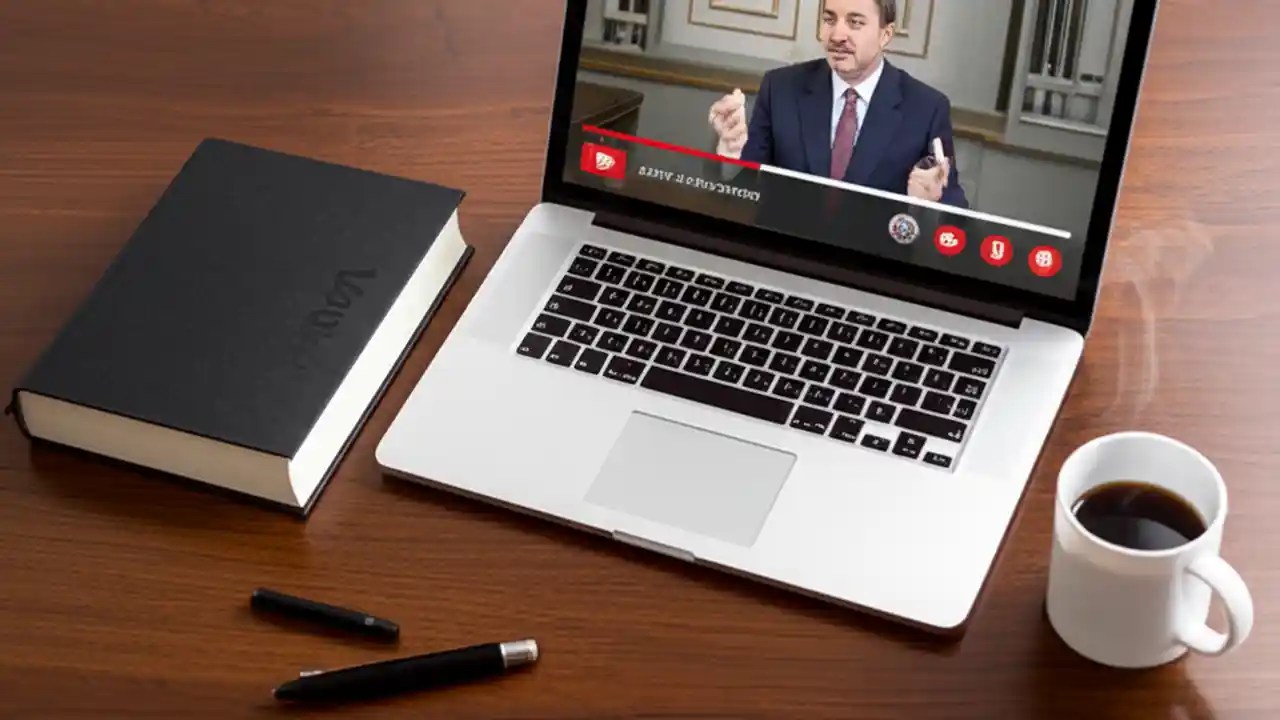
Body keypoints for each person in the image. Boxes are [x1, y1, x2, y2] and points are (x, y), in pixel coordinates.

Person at [708, 0, 968, 208]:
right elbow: (741, 193)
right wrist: (731, 157)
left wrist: (930, 205)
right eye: (830, 19)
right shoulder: (780, 88)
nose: (837, 35)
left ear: (885, 35)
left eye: (855, 22)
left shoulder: (927, 109)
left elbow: (955, 225)